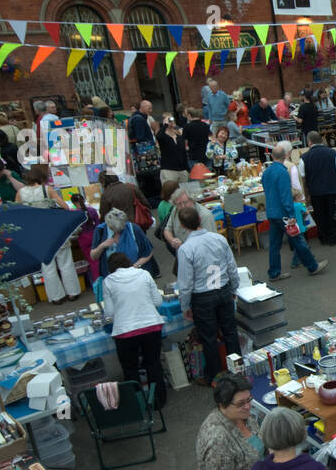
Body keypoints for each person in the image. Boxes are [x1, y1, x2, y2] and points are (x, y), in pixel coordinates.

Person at [175, 206, 240, 380]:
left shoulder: (186, 249)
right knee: (230, 332)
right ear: (200, 220)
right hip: (223, 289)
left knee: (209, 337)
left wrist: (185, 305)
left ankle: (216, 376)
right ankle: (238, 370)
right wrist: (234, 288)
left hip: (202, 297)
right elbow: (232, 267)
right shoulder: (219, 238)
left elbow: (185, 282)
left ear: (182, 225)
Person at [100, 253, 167, 408]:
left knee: (130, 369)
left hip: (125, 331)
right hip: (151, 325)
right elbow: (157, 301)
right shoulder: (144, 274)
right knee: (153, 364)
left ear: (111, 268)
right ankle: (159, 400)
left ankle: (137, 403)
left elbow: (109, 313)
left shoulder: (108, 281)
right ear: (129, 262)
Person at [16, 165, 84, 303]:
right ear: (42, 178)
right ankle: (73, 293)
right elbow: (64, 207)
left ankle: (56, 297)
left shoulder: (20, 193)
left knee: (47, 266)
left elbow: (18, 213)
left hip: (36, 233)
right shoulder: (47, 190)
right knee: (65, 262)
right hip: (54, 230)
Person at [262, 142, 326, 282]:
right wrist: (291, 215)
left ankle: (274, 272)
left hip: (272, 213)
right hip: (283, 214)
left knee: (274, 245)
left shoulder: (266, 172)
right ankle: (312, 266)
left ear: (272, 156)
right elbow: (286, 196)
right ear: (285, 155)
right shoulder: (283, 172)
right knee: (298, 240)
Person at [298, 131, 336, 246]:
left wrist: (307, 195)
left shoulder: (304, 158)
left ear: (309, 142)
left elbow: (304, 179)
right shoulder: (332, 153)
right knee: (332, 213)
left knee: (319, 215)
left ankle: (323, 237)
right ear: (321, 140)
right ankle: (333, 237)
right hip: (332, 189)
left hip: (315, 191)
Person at [181, 107, 212, 172]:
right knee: (208, 176)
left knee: (197, 177)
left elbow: (183, 141)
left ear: (189, 115)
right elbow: (211, 137)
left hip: (194, 155)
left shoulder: (187, 127)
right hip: (206, 154)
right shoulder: (205, 125)